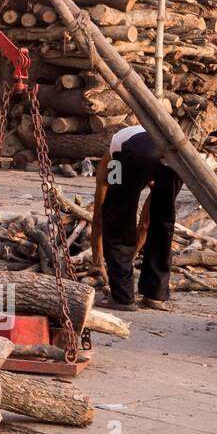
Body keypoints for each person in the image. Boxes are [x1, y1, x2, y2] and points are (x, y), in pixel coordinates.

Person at [91, 124, 181, 311]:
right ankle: (155, 295)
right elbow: (147, 223)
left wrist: (100, 261)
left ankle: (122, 297)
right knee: (163, 221)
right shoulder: (136, 137)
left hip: (142, 152)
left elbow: (101, 215)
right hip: (178, 155)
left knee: (117, 218)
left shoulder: (113, 156)